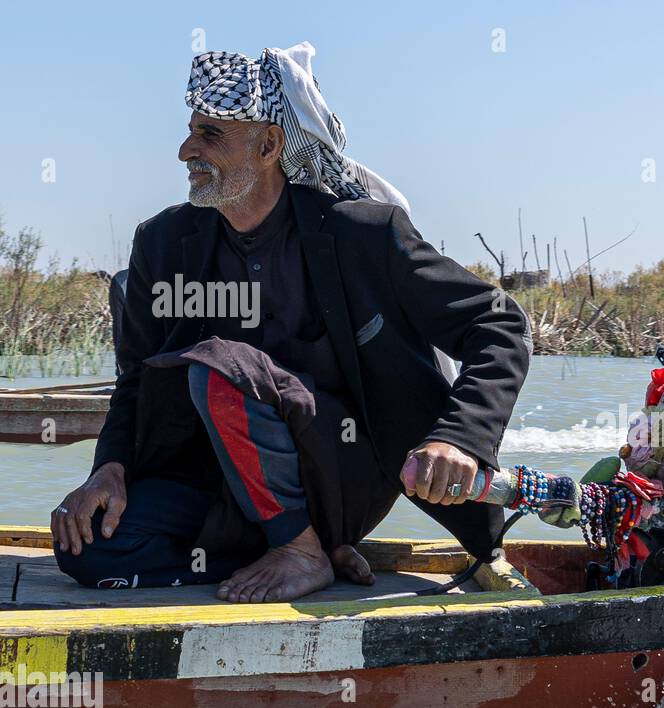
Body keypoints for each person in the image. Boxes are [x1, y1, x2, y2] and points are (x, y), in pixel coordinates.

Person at [51, 42, 531, 603]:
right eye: (190, 130)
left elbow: (498, 324)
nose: (186, 150)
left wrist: (459, 438)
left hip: (341, 474)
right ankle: (302, 551)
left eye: (210, 134)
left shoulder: (363, 236)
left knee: (221, 367)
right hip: (217, 481)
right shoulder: (162, 243)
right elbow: (135, 377)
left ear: (269, 145)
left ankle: (302, 546)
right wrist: (108, 468)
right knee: (85, 545)